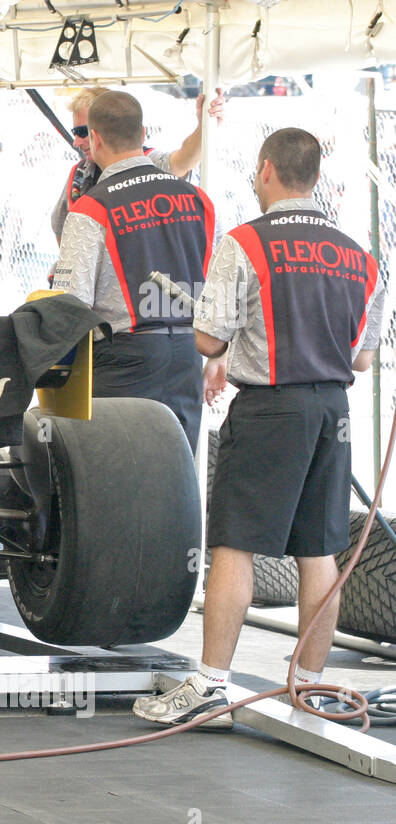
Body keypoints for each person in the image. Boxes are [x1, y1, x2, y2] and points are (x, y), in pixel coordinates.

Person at [134, 128, 385, 728]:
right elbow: (363, 359)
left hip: (270, 409)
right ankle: (312, 688)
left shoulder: (243, 244)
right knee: (320, 548)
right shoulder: (361, 256)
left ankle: (212, 685)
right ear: (315, 178)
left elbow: (208, 338)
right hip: (332, 410)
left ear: (268, 170)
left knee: (235, 544)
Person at [51, 90, 215, 453]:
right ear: (142, 134)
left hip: (125, 357)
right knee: (177, 474)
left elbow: (70, 304)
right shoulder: (197, 198)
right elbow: (220, 281)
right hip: (188, 351)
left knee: (118, 480)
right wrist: (218, 354)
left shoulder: (92, 205)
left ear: (95, 138)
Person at [52, 86, 223, 242]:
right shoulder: (78, 175)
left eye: (83, 132)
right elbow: (60, 229)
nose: (76, 142)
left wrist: (205, 125)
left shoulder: (148, 163)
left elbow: (184, 160)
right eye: (75, 132)